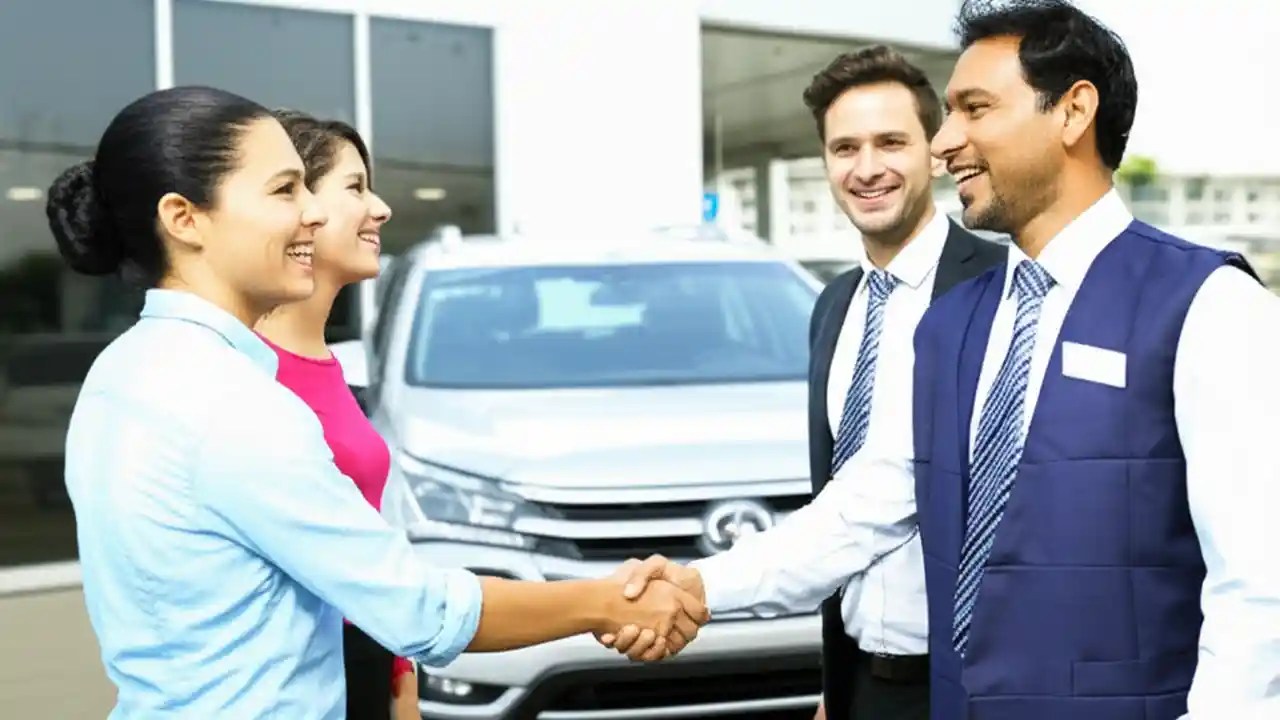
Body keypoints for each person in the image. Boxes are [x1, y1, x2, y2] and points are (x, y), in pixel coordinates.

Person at [48, 85, 708, 720]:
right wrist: (605, 602)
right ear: (184, 219)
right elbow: (418, 610)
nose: (312, 213)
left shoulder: (119, 375)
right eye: (284, 190)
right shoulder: (233, 403)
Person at [599, 47, 1005, 720]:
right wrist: (836, 688)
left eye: (890, 143)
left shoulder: (998, 289)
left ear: (934, 153)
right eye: (845, 148)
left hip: (975, 690)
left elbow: (886, 496)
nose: (866, 168)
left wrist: (695, 586)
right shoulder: (836, 305)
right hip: (862, 684)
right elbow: (837, 499)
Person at [911, 1, 1280, 718]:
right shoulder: (947, 324)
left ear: (1074, 111)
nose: (944, 142)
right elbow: (871, 502)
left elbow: (1260, 586)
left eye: (975, 109)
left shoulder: (1210, 304)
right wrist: (708, 587)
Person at [252, 110, 413, 720]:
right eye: (355, 187)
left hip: (368, 655)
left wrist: (402, 677)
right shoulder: (246, 377)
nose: (381, 209)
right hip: (300, 678)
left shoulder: (327, 364)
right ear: (298, 205)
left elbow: (373, 540)